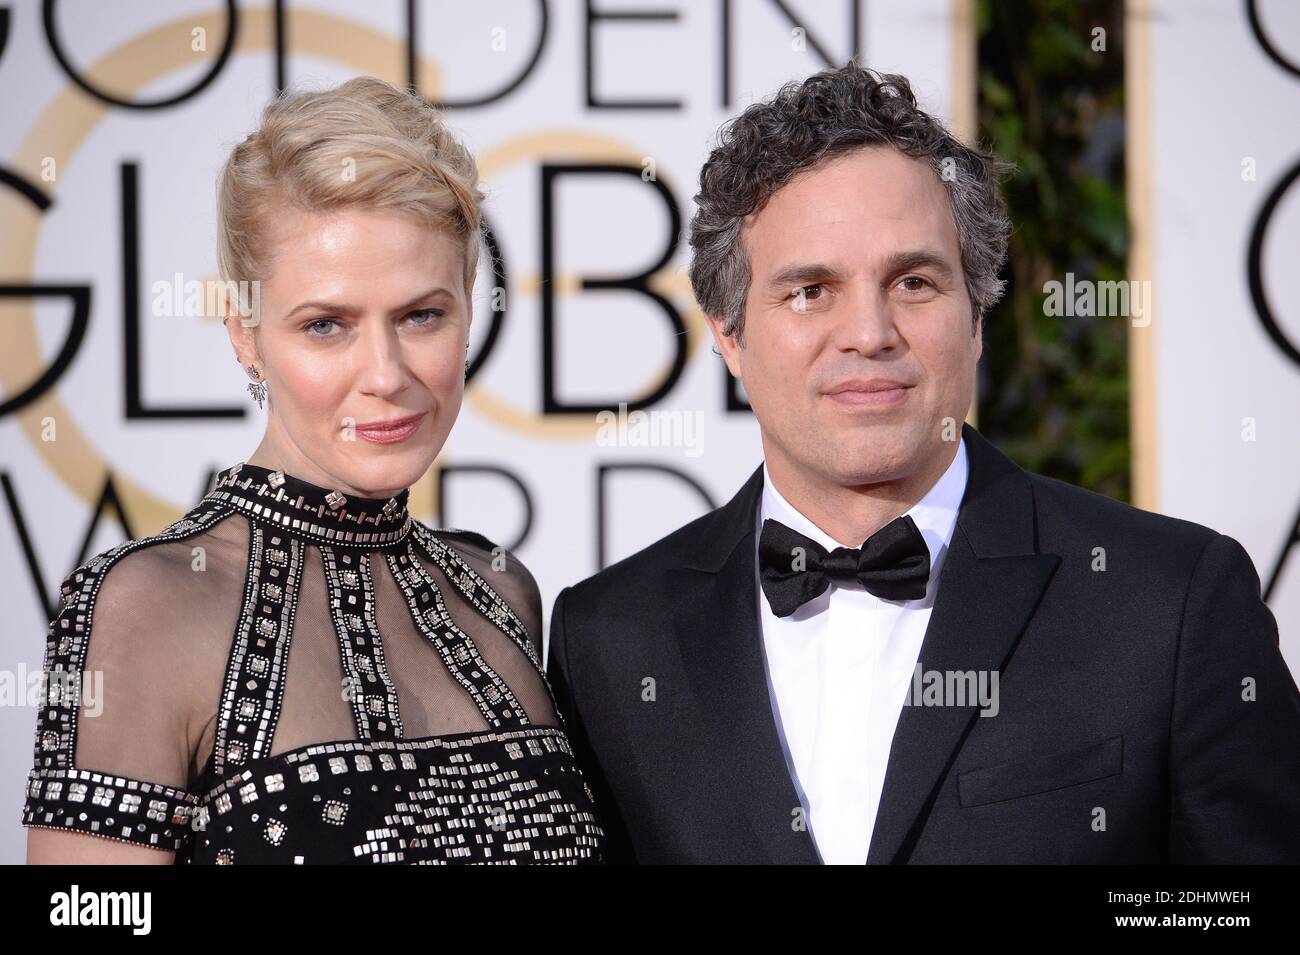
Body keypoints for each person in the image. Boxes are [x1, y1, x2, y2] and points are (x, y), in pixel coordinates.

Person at [546, 63, 1300, 864]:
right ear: (729, 333)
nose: (869, 332)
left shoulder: (1170, 603)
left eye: (913, 281)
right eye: (811, 290)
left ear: (977, 316)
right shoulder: (611, 636)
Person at [23, 77, 603, 864]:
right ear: (246, 334)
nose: (386, 372)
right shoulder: (145, 606)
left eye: (421, 315)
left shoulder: (500, 591)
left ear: (469, 305)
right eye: (326, 325)